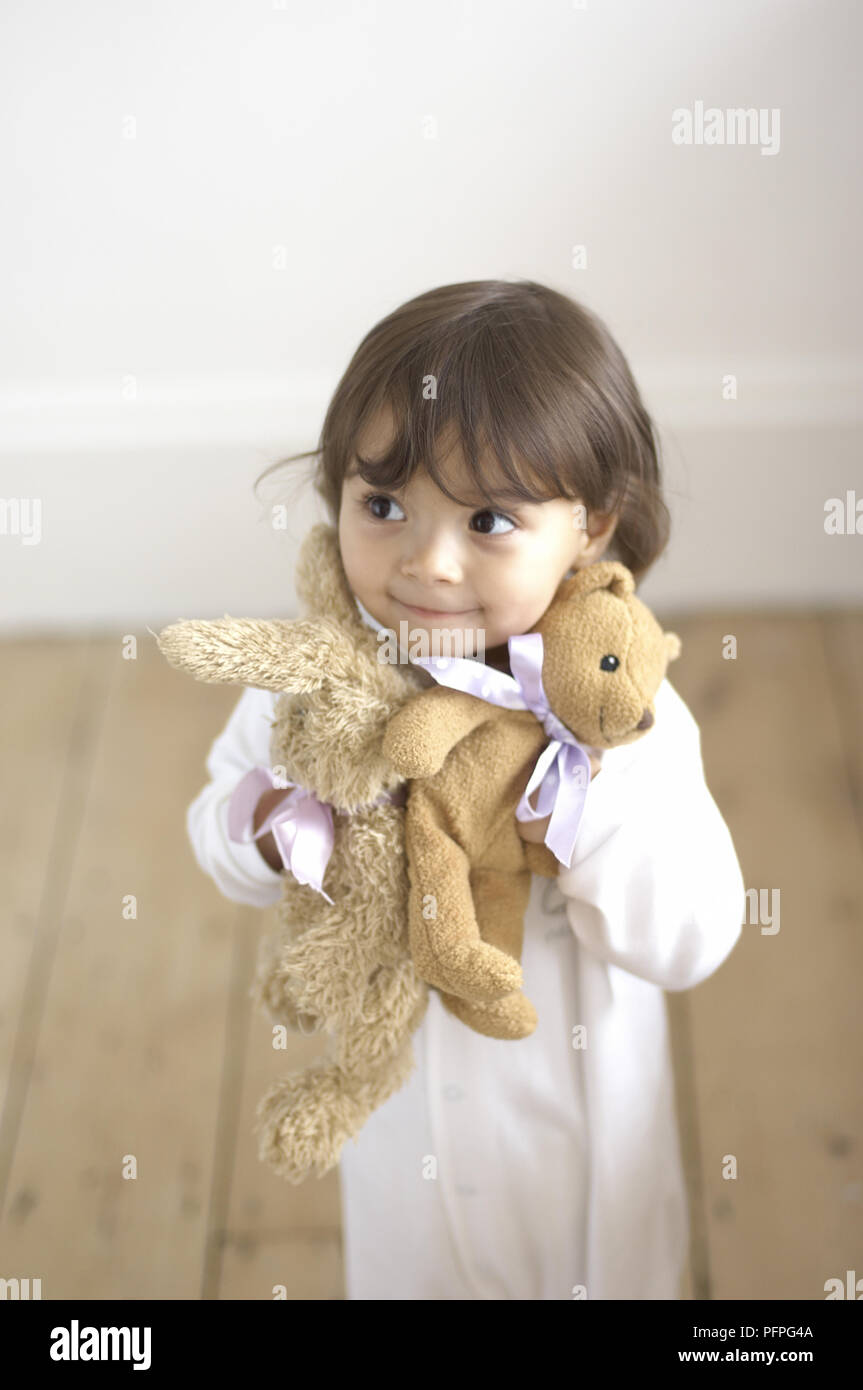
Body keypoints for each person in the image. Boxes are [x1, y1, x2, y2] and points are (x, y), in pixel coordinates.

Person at [186, 280, 745, 1300]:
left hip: (579, 1159)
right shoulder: (319, 681)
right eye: (384, 505)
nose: (424, 563)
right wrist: (270, 825)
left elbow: (692, 937)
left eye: (488, 518)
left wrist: (581, 808)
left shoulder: (618, 714)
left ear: (591, 524)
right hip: (407, 1149)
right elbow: (218, 815)